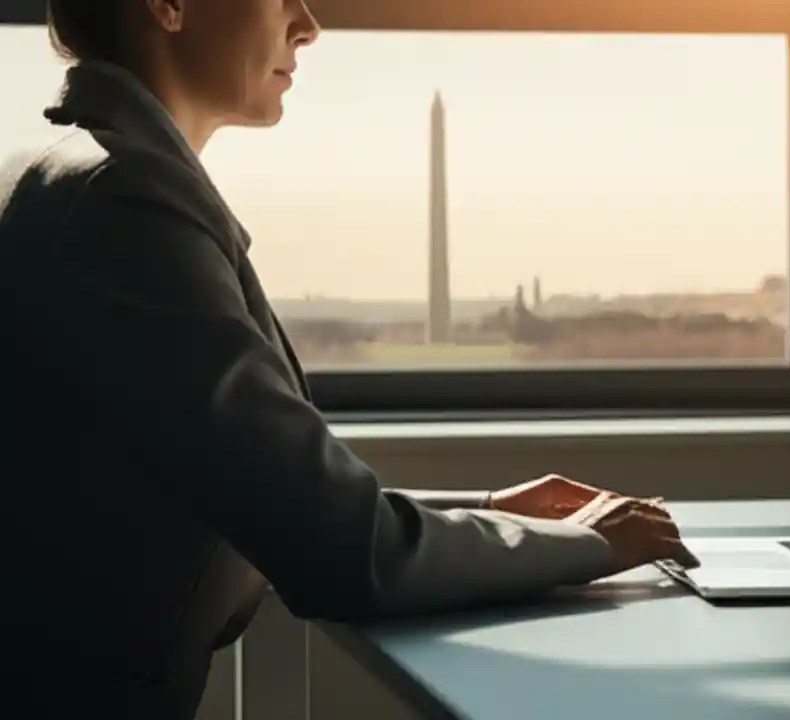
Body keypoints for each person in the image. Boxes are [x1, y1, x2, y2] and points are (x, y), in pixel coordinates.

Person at [0, 1, 698, 717]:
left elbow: (264, 496)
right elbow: (333, 548)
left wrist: (493, 512)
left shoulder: (63, 173)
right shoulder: (127, 205)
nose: (307, 23)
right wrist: (581, 546)